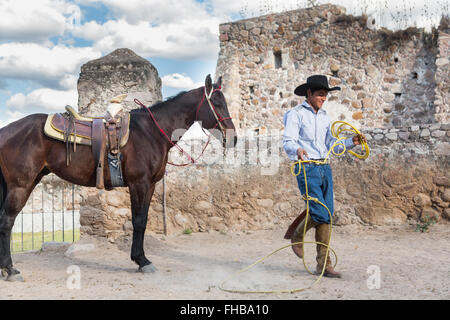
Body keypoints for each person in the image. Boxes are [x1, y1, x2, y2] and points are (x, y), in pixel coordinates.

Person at [282, 75, 366, 278]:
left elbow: (331, 144)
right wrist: (298, 149)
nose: (323, 98)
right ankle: (297, 235)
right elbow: (288, 141)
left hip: (324, 168)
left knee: (326, 217)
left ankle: (324, 265)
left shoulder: (325, 116)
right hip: (307, 168)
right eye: (320, 94)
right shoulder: (295, 114)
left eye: (325, 94)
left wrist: (351, 142)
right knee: (319, 211)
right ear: (309, 93)